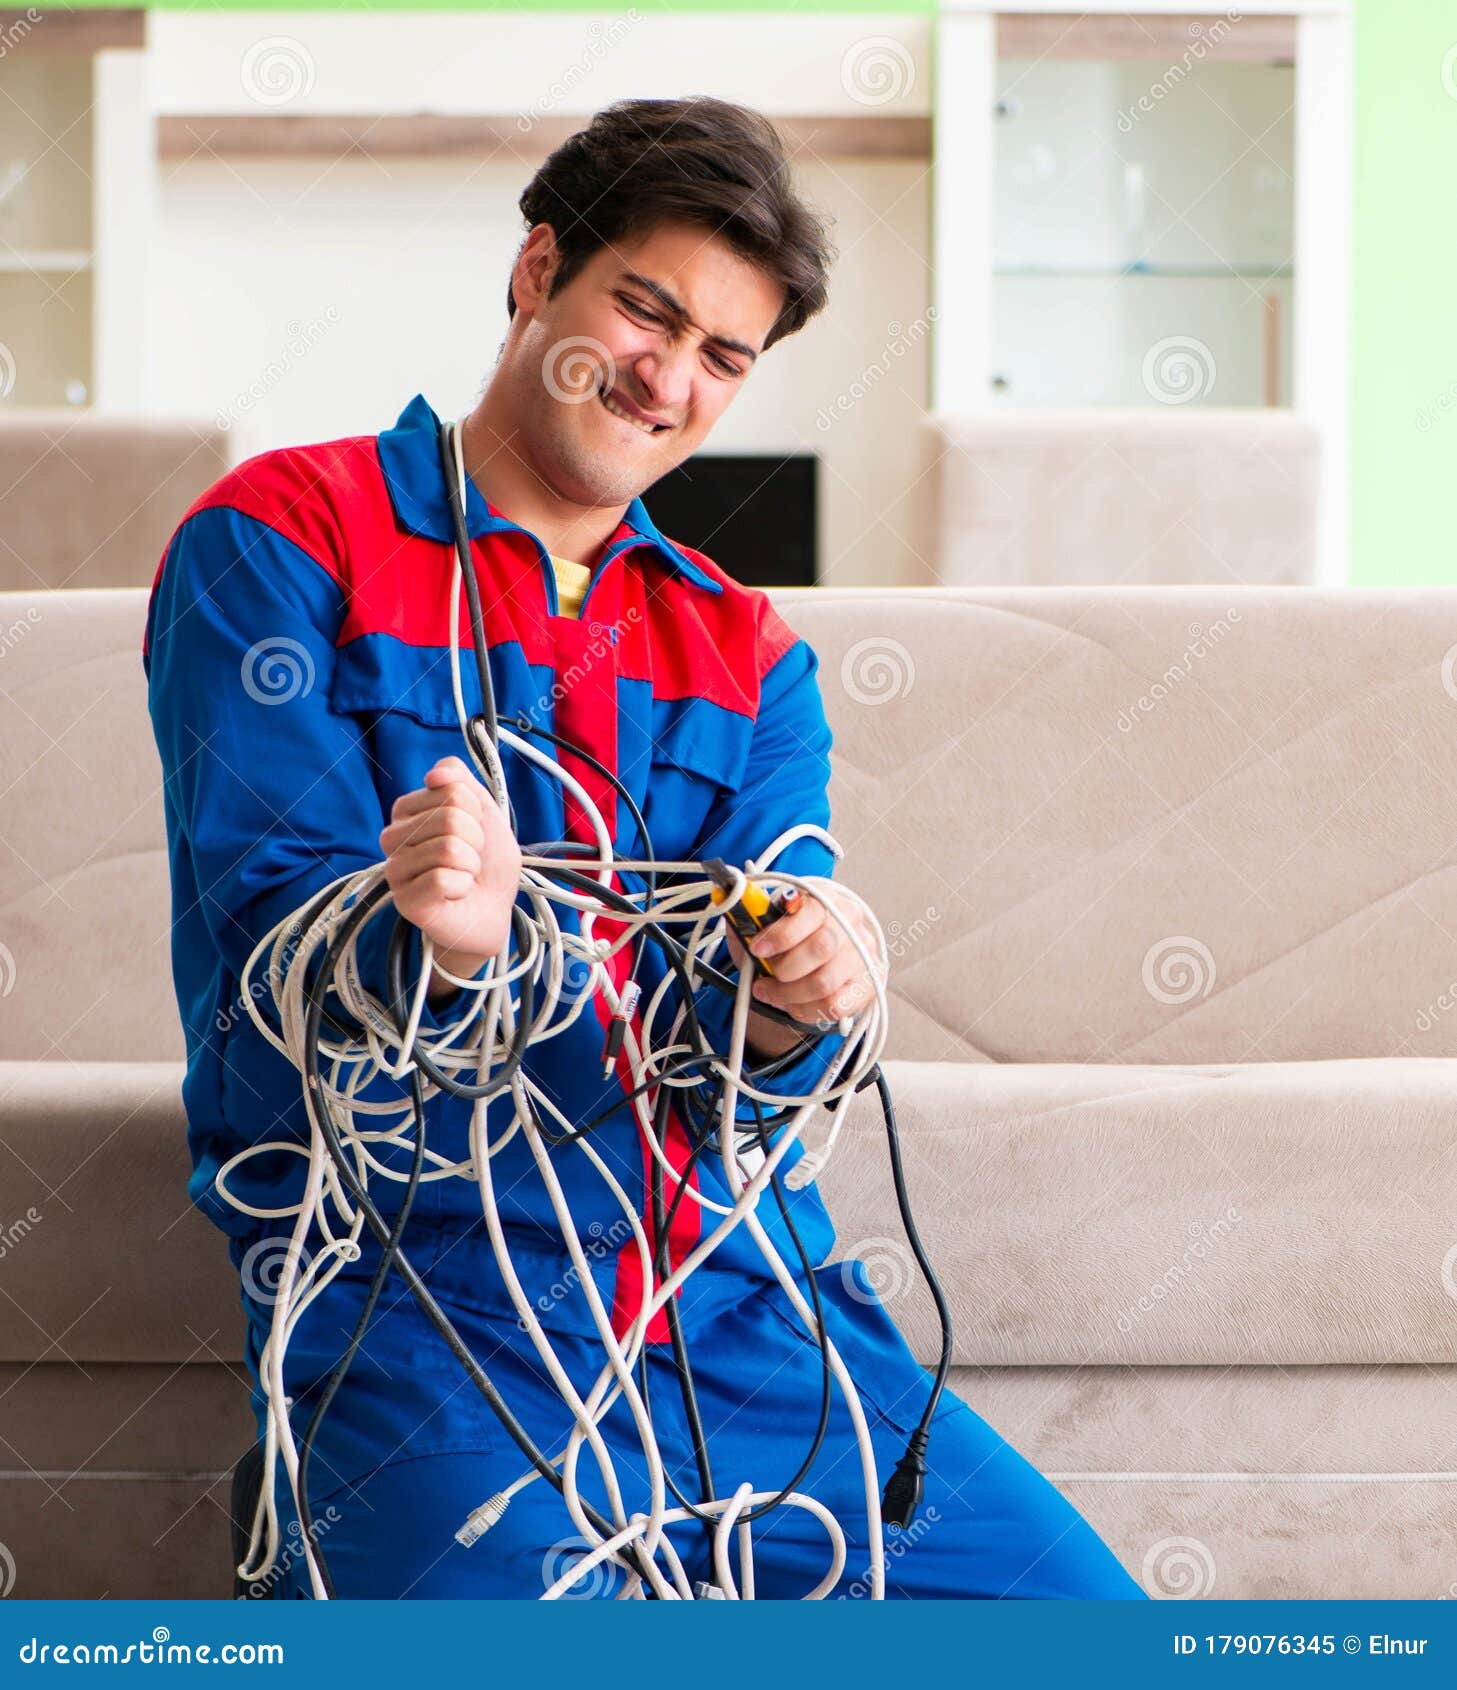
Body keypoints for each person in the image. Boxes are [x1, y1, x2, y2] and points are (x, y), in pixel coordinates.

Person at [143, 94, 1145, 1601]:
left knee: (1091, 1626)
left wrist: (802, 993)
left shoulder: (746, 652)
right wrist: (437, 945)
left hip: (744, 1308)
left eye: (721, 358)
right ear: (537, 271)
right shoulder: (285, 538)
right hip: (429, 1308)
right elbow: (265, 962)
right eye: (643, 310)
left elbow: (736, 1051)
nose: (665, 378)